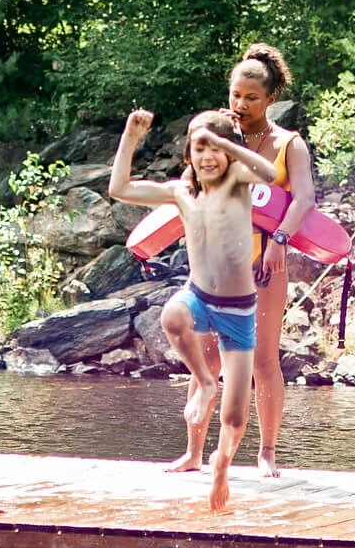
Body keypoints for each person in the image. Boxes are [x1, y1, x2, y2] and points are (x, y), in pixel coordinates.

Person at [109, 107, 277, 511]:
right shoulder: (180, 192)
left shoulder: (237, 181)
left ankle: (221, 465)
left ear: (229, 152)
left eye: (216, 148)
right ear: (188, 153)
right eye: (200, 147)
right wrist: (130, 138)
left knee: (235, 418)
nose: (208, 156)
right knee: (171, 316)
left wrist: (227, 143)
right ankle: (204, 382)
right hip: (200, 296)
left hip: (238, 311)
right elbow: (120, 188)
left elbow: (269, 175)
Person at [227, 43, 317, 478]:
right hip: (218, 261)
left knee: (263, 358)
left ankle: (266, 451)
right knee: (209, 358)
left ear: (270, 99)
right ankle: (194, 451)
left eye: (251, 98)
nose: (240, 105)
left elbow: (305, 199)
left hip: (266, 260)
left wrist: (281, 238)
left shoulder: (289, 144)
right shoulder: (218, 135)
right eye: (235, 95)